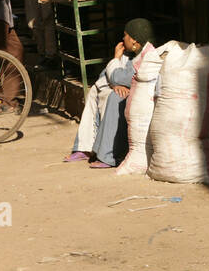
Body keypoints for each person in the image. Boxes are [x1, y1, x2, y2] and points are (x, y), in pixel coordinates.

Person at [65, 18, 154, 168]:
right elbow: (108, 76)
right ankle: (85, 148)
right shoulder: (130, 55)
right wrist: (115, 83)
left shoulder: (147, 56)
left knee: (115, 97)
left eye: (126, 35)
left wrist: (116, 59)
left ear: (134, 41)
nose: (123, 38)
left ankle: (108, 155)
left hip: (142, 99)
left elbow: (119, 77)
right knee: (95, 90)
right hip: (128, 89)